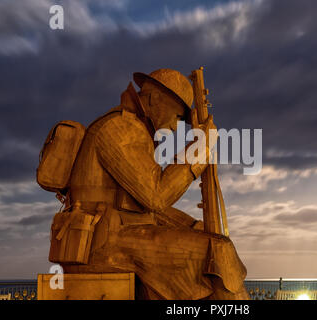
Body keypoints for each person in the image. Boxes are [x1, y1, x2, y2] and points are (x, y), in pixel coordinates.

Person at [60, 68, 249, 300]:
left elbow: (138, 207)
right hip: (98, 246)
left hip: (111, 235)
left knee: (206, 238)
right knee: (218, 254)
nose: (178, 126)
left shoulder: (135, 130)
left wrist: (190, 226)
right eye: (178, 117)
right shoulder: (120, 128)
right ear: (154, 98)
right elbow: (155, 197)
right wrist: (199, 151)